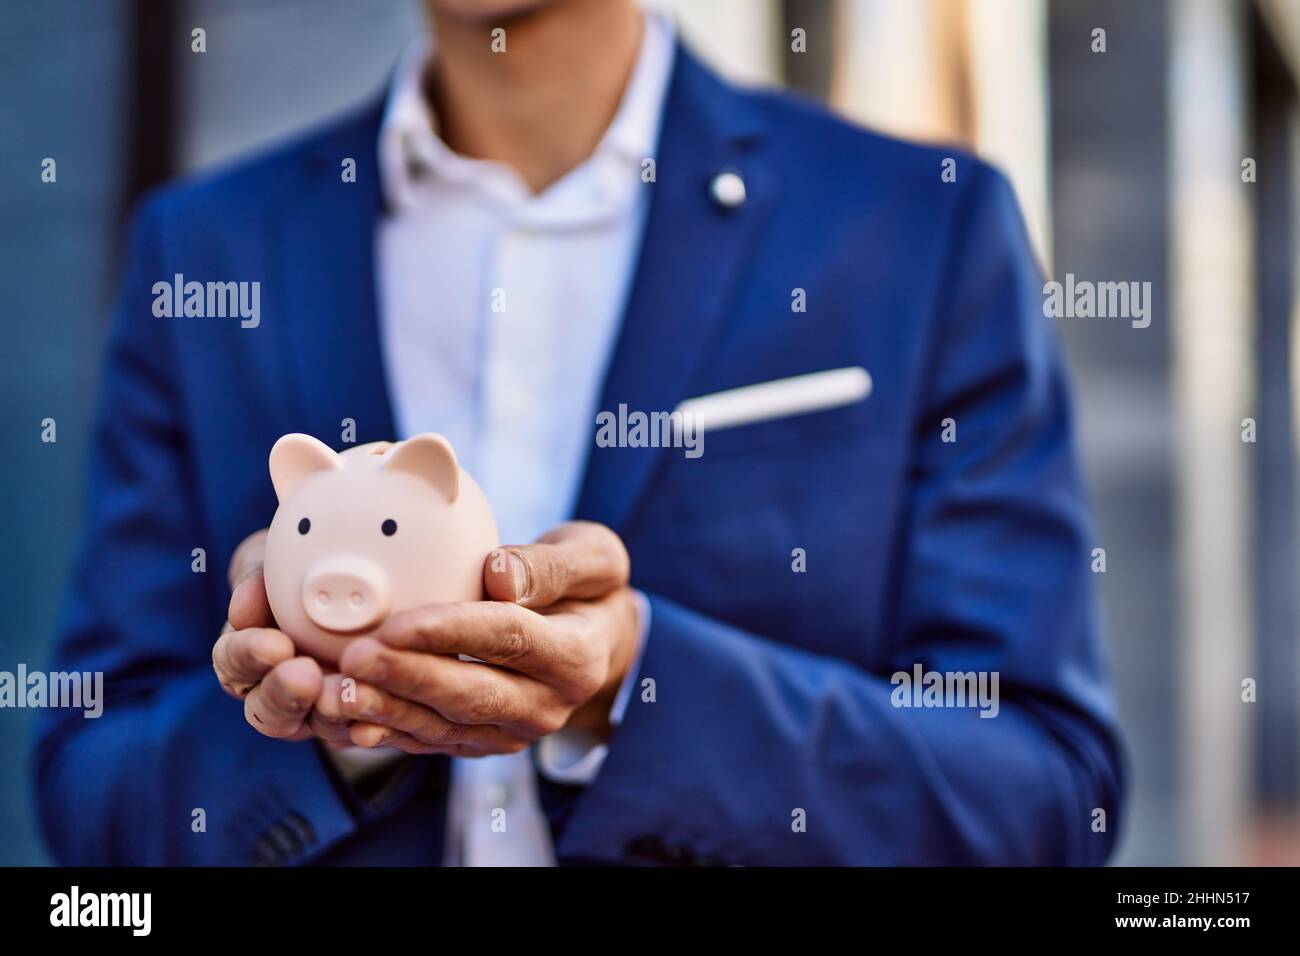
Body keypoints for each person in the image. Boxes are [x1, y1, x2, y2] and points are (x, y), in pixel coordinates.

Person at [35, 0, 1124, 865]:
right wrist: (330, 723)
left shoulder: (916, 227)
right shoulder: (210, 250)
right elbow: (88, 787)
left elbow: (1043, 794)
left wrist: (629, 685)